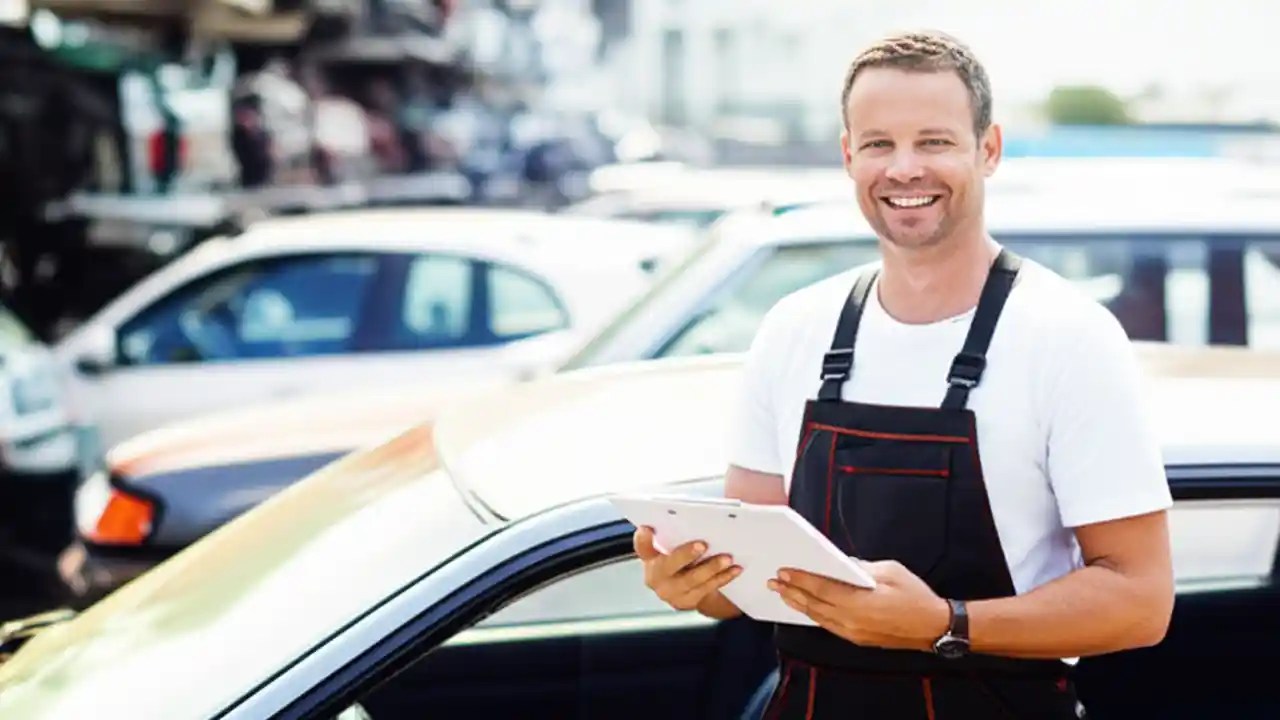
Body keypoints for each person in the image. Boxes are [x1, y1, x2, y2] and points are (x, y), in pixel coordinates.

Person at [634, 30, 1175, 718]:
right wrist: (691, 581)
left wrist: (943, 624)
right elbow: (743, 577)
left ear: (989, 149)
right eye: (880, 144)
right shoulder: (795, 327)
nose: (905, 169)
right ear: (848, 156)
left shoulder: (1069, 337)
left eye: (935, 141)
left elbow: (1140, 600)